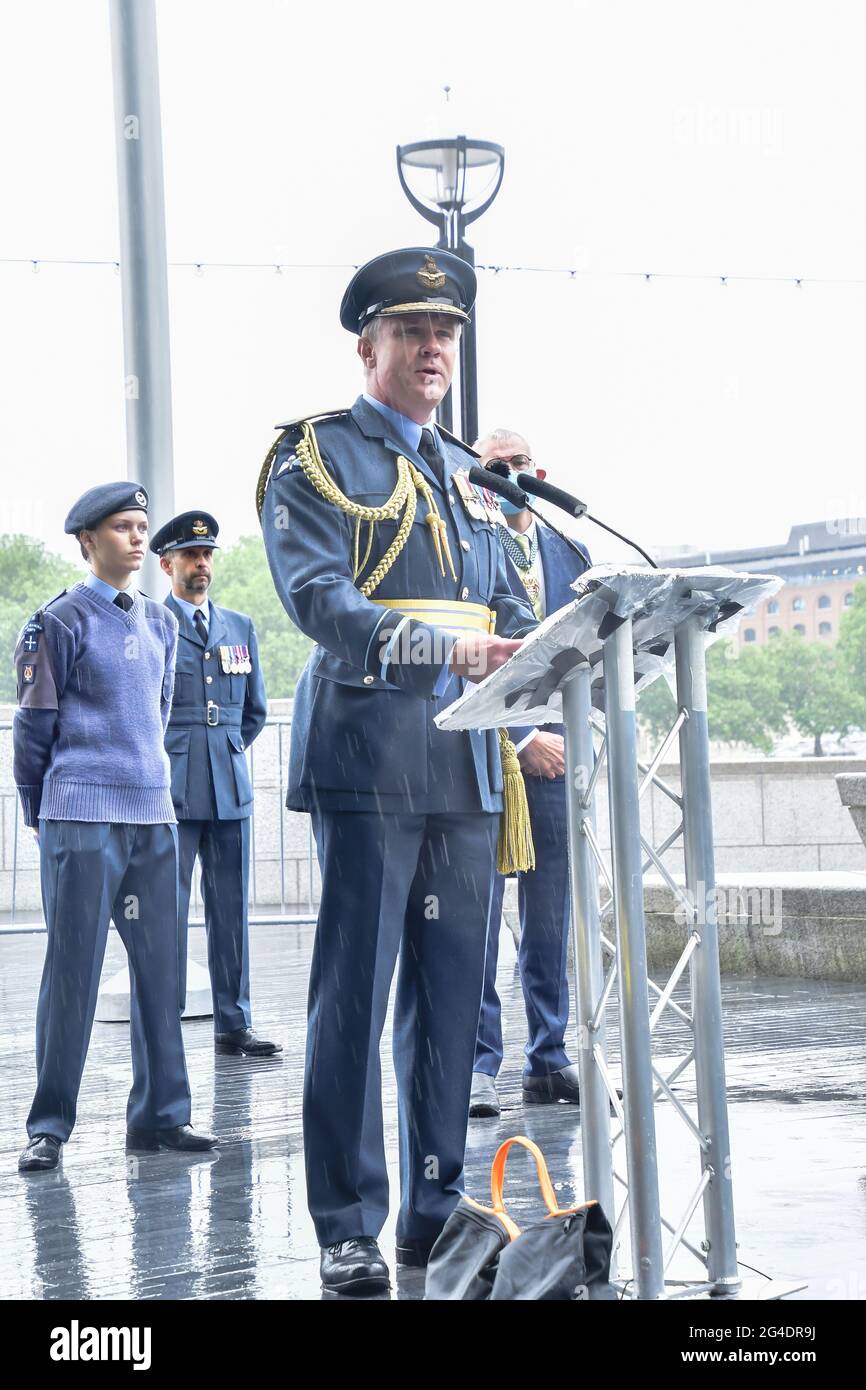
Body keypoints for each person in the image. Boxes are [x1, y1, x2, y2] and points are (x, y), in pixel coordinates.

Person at [257, 247, 538, 1293]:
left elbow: (502, 609)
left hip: (464, 763)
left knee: (449, 1000)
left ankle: (432, 1209)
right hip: (369, 758)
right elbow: (320, 599)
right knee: (355, 995)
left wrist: (547, 650)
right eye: (414, 332)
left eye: (447, 334)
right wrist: (445, 649)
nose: (434, 350)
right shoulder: (314, 458)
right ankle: (346, 1220)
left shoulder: (464, 469)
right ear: (366, 345)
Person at [14, 482, 217, 1173]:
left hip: (152, 817)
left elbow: (156, 716)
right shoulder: (59, 622)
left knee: (161, 976)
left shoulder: (163, 624)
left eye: (141, 525)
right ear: (87, 542)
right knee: (72, 973)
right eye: (123, 528)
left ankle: (162, 1117)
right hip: (80, 818)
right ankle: (50, 1126)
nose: (137, 537)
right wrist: (39, 808)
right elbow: (34, 727)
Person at [468, 430, 592, 1118]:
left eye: (518, 465)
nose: (509, 476)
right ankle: (479, 1065)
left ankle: (550, 1058)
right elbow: (465, 665)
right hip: (491, 760)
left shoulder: (570, 550)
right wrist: (520, 738)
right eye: (495, 468)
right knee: (479, 925)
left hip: (560, 760)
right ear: (476, 479)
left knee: (549, 923)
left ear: (537, 473)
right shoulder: (465, 548)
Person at [151, 510, 279, 1058]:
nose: (201, 565)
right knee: (167, 911)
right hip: (171, 793)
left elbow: (253, 712)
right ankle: (165, 1020)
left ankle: (235, 1023)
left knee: (231, 912)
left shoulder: (239, 627)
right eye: (190, 556)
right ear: (167, 564)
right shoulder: (149, 624)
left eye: (207, 556)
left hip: (229, 789)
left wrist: (221, 752)